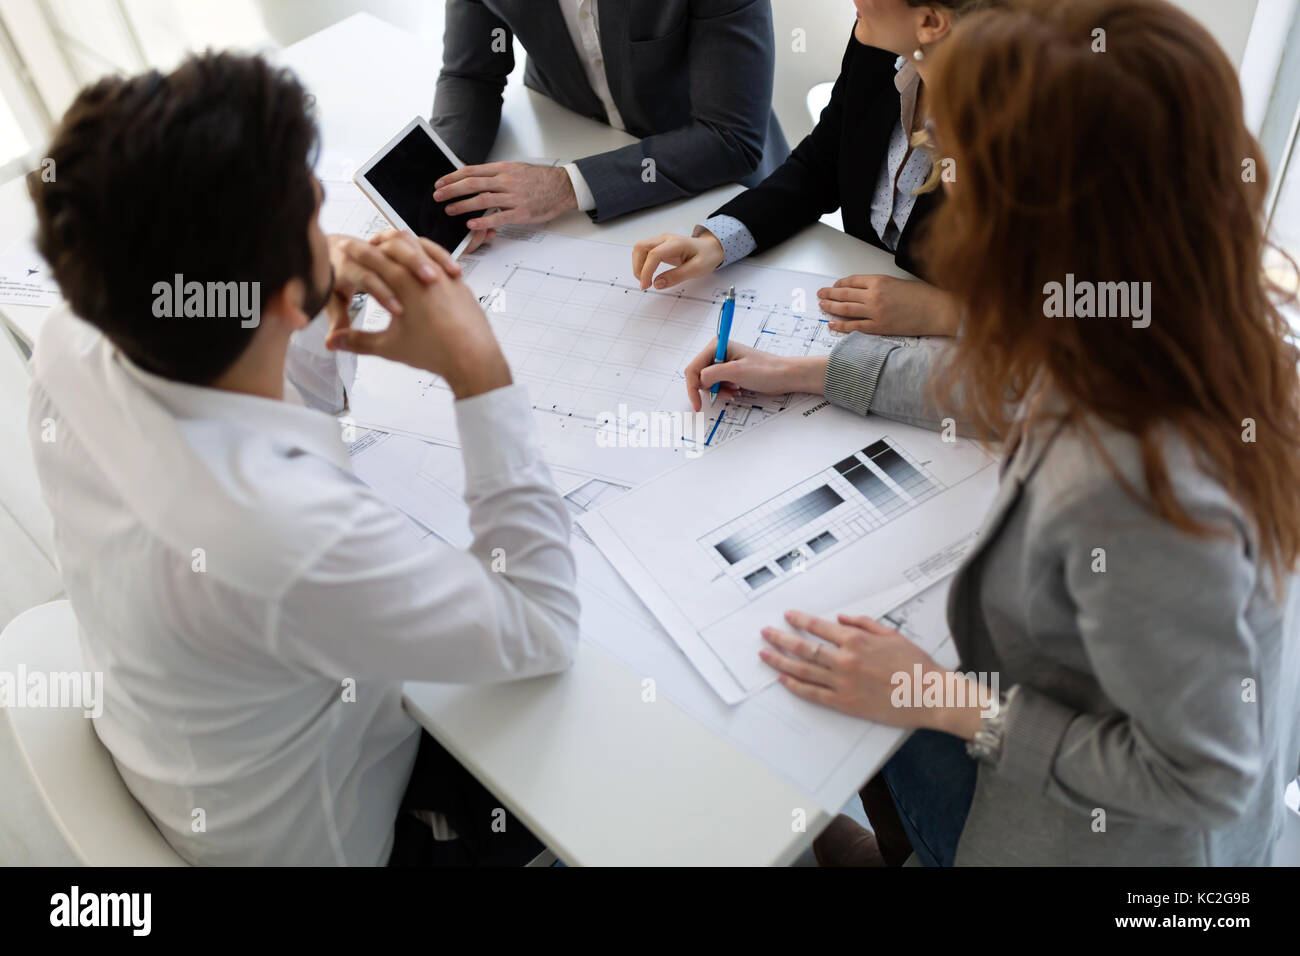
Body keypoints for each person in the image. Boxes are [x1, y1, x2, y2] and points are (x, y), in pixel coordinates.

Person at [684, 0, 1300, 865]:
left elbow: (1202, 777)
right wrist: (814, 372)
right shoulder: (1168, 312)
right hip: (1072, 724)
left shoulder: (1137, 488)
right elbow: (1019, 384)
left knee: (794, 714)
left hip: (1116, 849)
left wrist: (933, 696)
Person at [26, 52, 579, 866]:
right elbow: (540, 628)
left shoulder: (70, 339)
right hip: (333, 835)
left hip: (198, 746)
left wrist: (312, 299)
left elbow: (274, 411)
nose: (325, 202)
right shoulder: (281, 532)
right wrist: (478, 374)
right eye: (307, 196)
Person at [633, 0, 1005, 338]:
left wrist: (942, 312)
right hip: (858, 314)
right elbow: (821, 163)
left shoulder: (1027, 128)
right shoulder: (879, 43)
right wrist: (716, 241)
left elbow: (1054, 308)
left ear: (930, 21)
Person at [429, 0, 788, 243]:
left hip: (718, 189)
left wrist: (565, 185)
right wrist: (436, 186)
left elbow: (729, 136)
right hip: (567, 132)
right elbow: (471, 76)